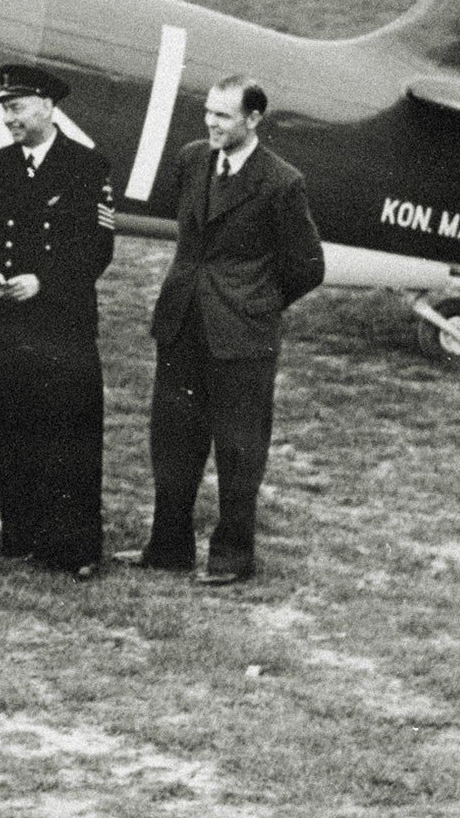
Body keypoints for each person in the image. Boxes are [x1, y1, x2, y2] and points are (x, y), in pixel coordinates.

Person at [127, 74, 326, 587]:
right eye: (208, 113)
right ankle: (167, 547)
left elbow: (307, 265)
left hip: (241, 339)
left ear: (254, 119)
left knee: (239, 450)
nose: (212, 124)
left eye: (224, 116)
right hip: (182, 325)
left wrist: (254, 303)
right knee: (172, 441)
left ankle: (232, 556)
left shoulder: (282, 181)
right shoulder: (193, 158)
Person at [0, 64, 117, 576]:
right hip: (8, 321)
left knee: (70, 430)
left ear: (46, 106)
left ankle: (76, 545)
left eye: (16, 108)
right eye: (5, 110)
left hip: (62, 321)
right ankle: (24, 534)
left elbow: (96, 249)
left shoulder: (87, 165)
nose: (8, 119)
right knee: (14, 425)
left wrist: (43, 281)